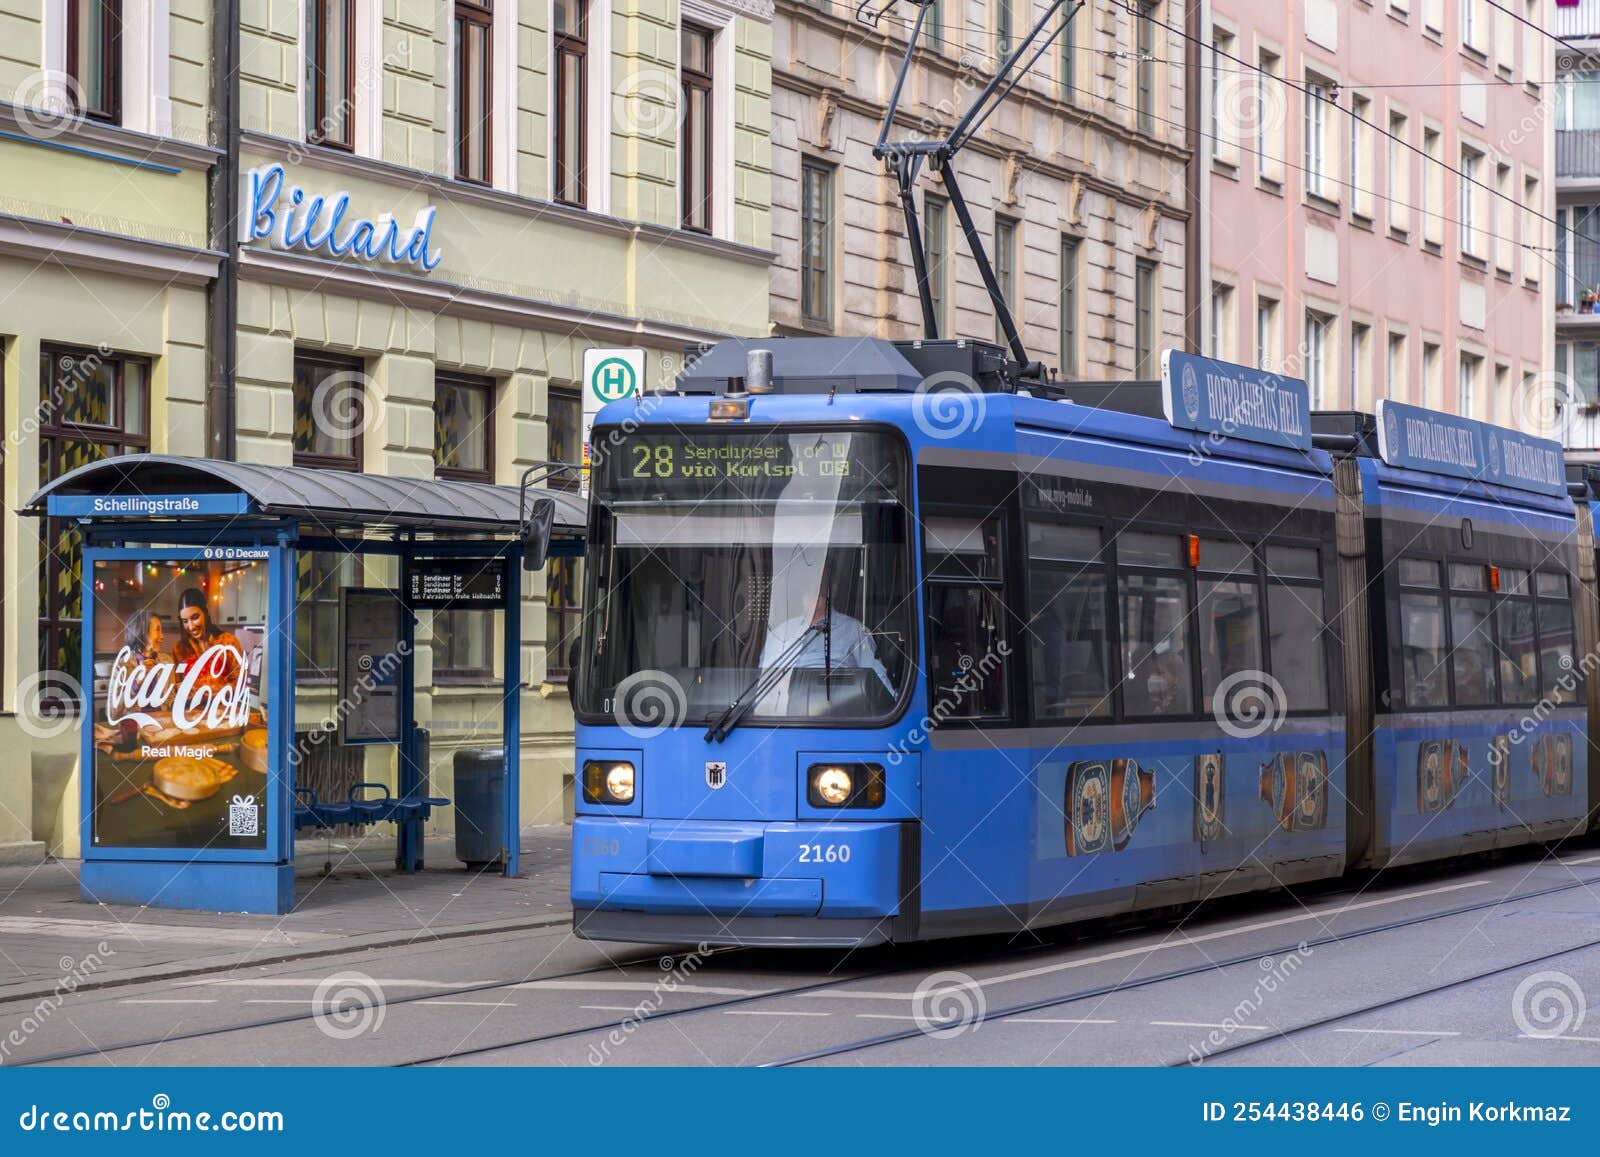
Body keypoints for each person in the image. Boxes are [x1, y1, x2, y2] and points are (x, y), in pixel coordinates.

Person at [759, 575, 893, 695]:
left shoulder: (853, 629)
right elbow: (763, 678)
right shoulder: (781, 631)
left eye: (818, 588)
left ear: (830, 591)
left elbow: (877, 677)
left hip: (833, 713)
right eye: (807, 588)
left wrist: (889, 704)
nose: (811, 593)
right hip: (782, 713)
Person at [173, 587, 245, 694]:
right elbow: (178, 683)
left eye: (195, 617)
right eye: (185, 621)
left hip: (222, 709)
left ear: (206, 611)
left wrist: (209, 691)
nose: (191, 626)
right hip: (190, 710)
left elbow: (240, 683)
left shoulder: (229, 642)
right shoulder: (179, 649)